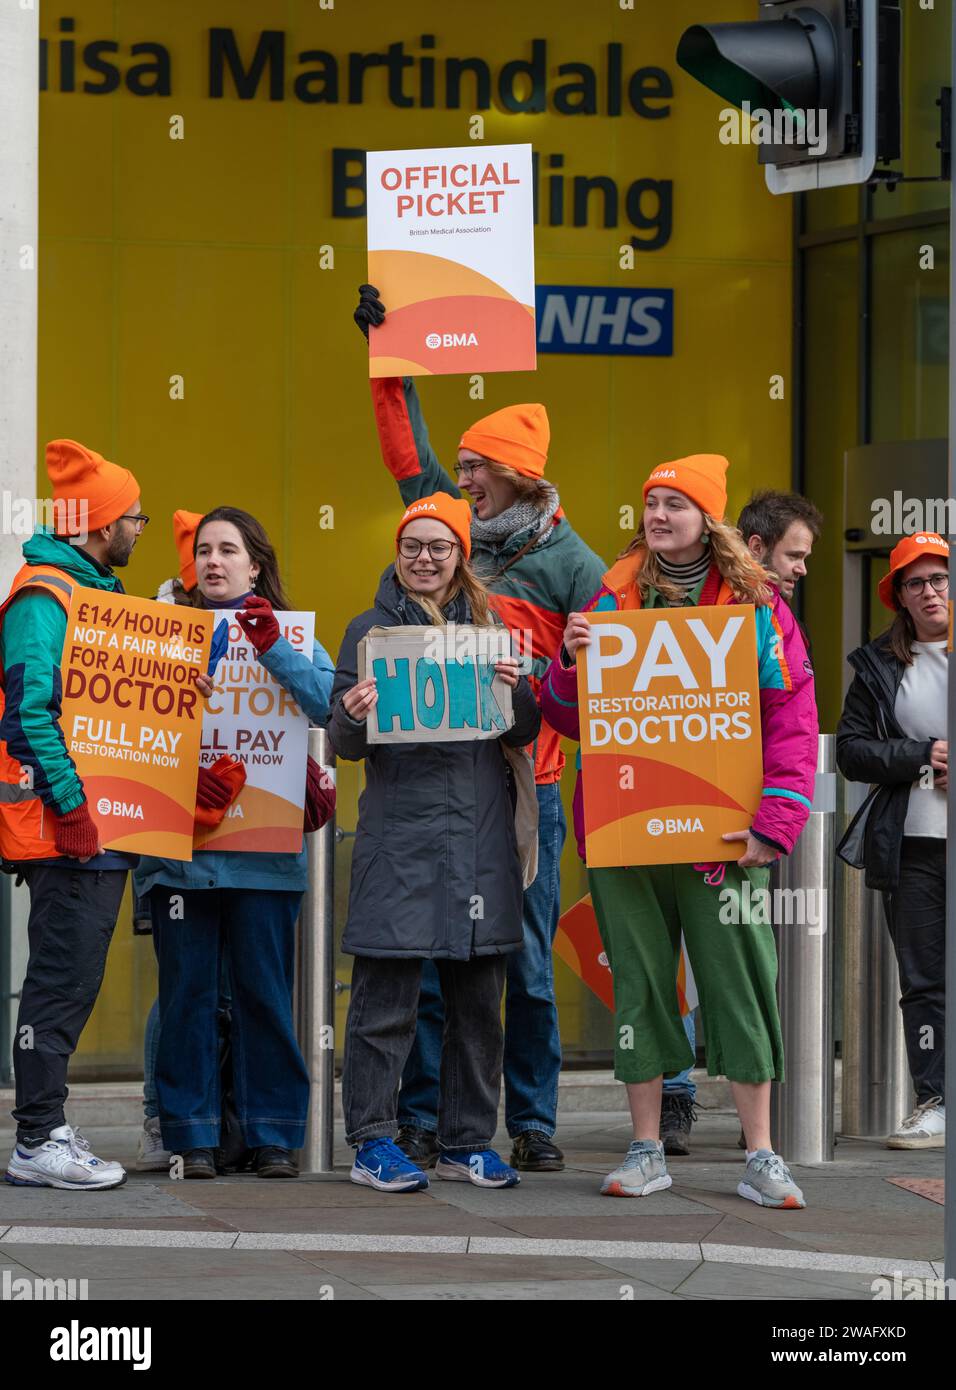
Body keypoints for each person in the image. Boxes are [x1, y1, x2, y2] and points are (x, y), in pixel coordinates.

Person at [354, 285, 605, 1173]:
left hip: (524, 787)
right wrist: (388, 354)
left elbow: (599, 682)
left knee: (520, 966)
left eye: (475, 469)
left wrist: (555, 667)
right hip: (434, 783)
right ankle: (420, 1122)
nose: (457, 481)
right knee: (427, 962)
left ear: (520, 477)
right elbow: (403, 449)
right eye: (457, 466)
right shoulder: (444, 530)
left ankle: (531, 1122)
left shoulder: (575, 564)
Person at [540, 454, 819, 1206]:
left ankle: (761, 1154)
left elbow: (792, 722)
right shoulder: (610, 598)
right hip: (628, 832)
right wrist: (567, 667)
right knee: (638, 985)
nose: (658, 515)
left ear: (709, 519)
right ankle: (644, 1148)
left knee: (742, 982)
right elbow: (567, 719)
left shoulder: (761, 608)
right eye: (650, 503)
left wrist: (776, 824)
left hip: (726, 839)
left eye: (676, 504)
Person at [328, 492, 542, 1191]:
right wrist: (353, 716)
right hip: (401, 840)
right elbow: (343, 743)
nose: (424, 558)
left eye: (439, 547)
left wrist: (519, 691)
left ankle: (468, 1142)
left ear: (460, 555)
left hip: (478, 844)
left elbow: (523, 732)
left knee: (479, 1004)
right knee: (384, 1000)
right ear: (398, 553)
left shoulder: (493, 627)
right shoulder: (368, 631)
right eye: (413, 546)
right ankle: (371, 1142)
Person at [133, 507, 334, 1179]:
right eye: (203, 551)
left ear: (256, 564)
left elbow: (329, 708)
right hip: (181, 857)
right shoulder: (161, 635)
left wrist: (273, 647)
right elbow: (129, 736)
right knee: (188, 998)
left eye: (228, 550)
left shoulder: (295, 635)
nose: (213, 561)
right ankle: (193, 1136)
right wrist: (174, 700)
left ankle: (274, 1135)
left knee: (264, 999)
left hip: (266, 856)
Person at [2, 440, 145, 1190]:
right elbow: (28, 715)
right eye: (134, 517)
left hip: (94, 827)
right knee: (60, 981)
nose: (139, 529)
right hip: (67, 832)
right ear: (100, 523)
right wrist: (73, 806)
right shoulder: (44, 599)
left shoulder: (85, 595)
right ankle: (36, 1139)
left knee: (71, 980)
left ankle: (47, 1125)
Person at [837, 532, 947, 1149]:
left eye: (939, 579)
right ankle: (935, 1101)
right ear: (899, 596)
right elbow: (852, 750)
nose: (930, 592)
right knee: (925, 980)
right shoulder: (880, 664)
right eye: (916, 583)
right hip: (913, 844)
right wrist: (921, 755)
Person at [136, 509, 204, 1174]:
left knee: (210, 986)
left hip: (239, 837)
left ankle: (207, 1116)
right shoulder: (160, 631)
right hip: (168, 837)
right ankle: (162, 1116)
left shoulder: (256, 623)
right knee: (182, 983)